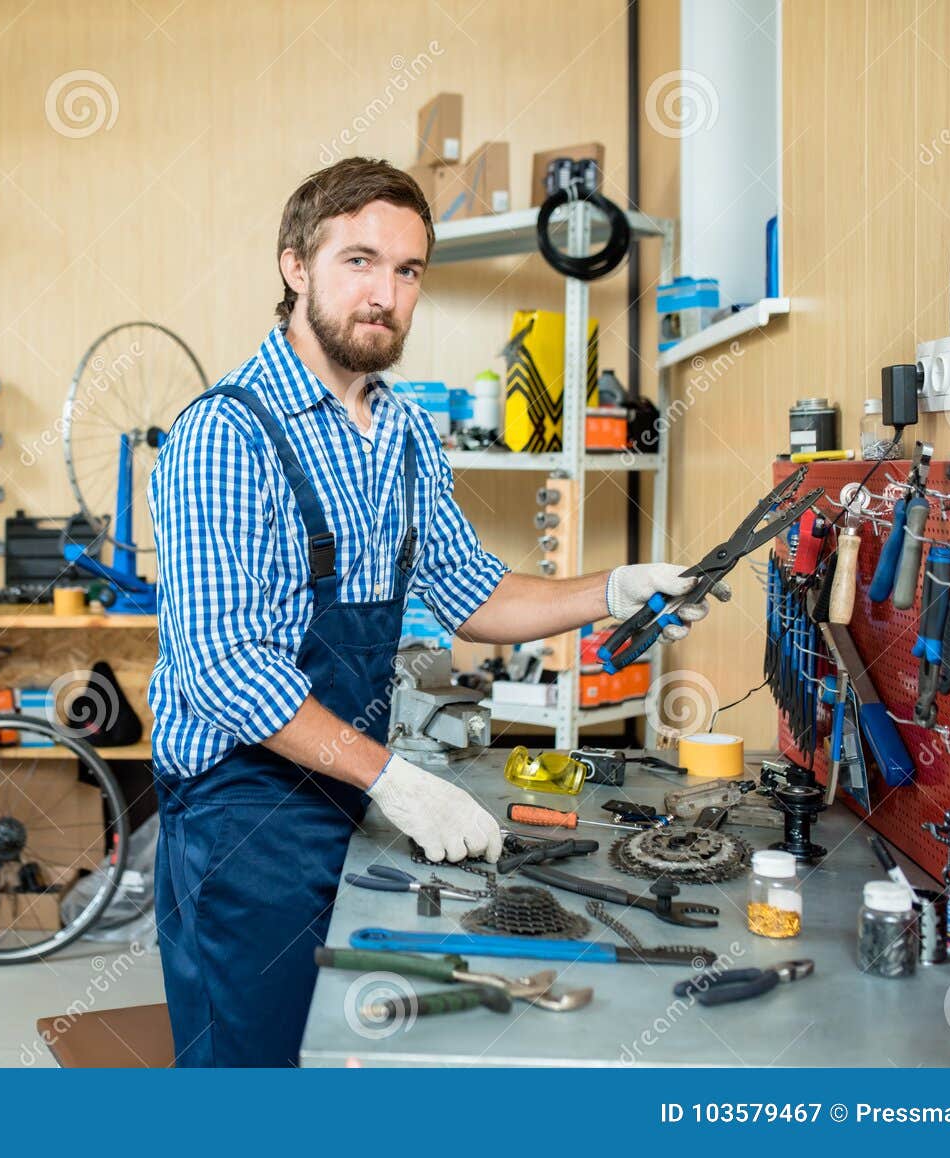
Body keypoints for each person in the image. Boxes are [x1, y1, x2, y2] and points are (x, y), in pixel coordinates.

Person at [146, 157, 726, 1067]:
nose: (385, 294)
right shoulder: (225, 434)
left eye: (408, 271)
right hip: (241, 814)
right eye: (359, 262)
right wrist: (397, 780)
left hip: (349, 787)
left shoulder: (406, 430)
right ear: (295, 266)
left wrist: (613, 590)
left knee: (343, 1053)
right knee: (249, 1071)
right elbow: (224, 670)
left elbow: (472, 591)